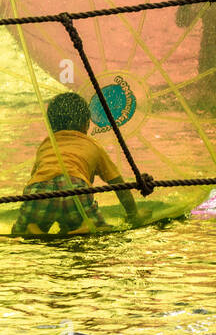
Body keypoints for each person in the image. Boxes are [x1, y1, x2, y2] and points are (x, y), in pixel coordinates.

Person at [11, 92, 142, 236]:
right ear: (86, 123)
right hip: (75, 188)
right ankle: (86, 226)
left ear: (51, 125)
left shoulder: (46, 144)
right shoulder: (93, 145)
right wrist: (133, 214)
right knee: (101, 229)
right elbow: (118, 184)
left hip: (39, 190)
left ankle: (33, 228)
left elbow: (36, 178)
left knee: (21, 230)